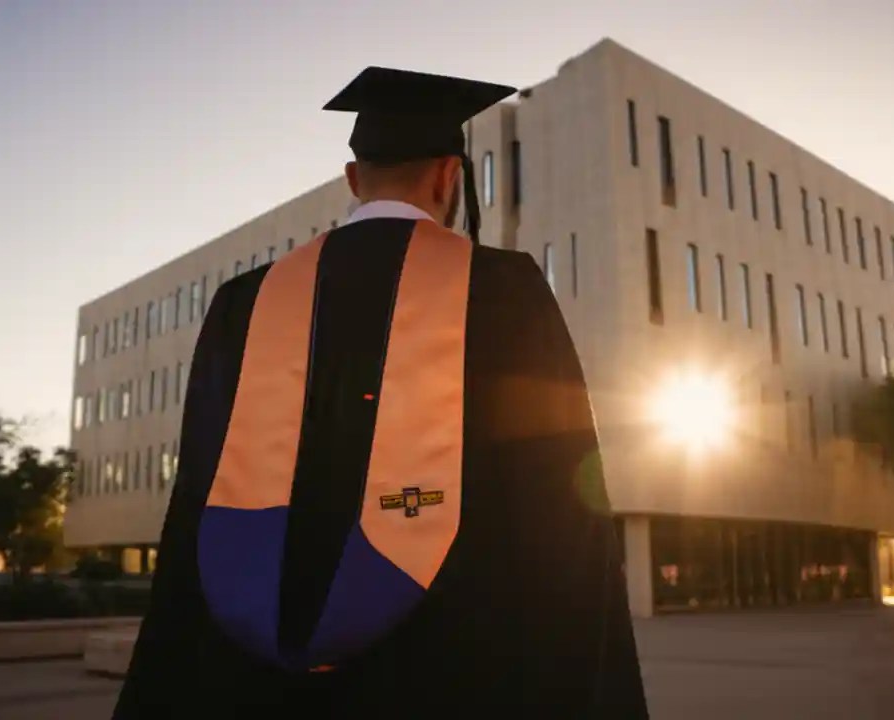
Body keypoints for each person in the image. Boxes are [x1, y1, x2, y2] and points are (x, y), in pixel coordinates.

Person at [113, 66, 648, 718]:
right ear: (450, 177)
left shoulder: (243, 302)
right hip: (455, 671)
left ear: (351, 180)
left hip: (254, 677)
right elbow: (558, 509)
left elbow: (200, 489)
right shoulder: (505, 290)